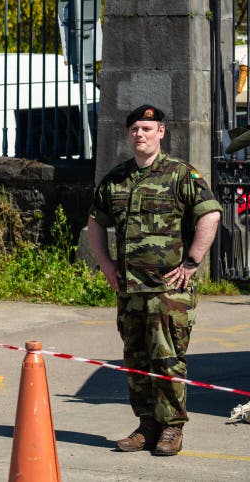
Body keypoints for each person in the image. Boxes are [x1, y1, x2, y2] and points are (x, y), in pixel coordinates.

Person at [88, 105, 222, 456]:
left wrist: (192, 262)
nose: (140, 134)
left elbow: (211, 214)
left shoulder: (180, 175)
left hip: (168, 292)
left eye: (147, 128)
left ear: (161, 132)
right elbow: (96, 223)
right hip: (129, 289)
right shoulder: (116, 179)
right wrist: (106, 265)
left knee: (167, 359)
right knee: (135, 360)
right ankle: (147, 425)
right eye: (134, 129)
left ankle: (172, 428)